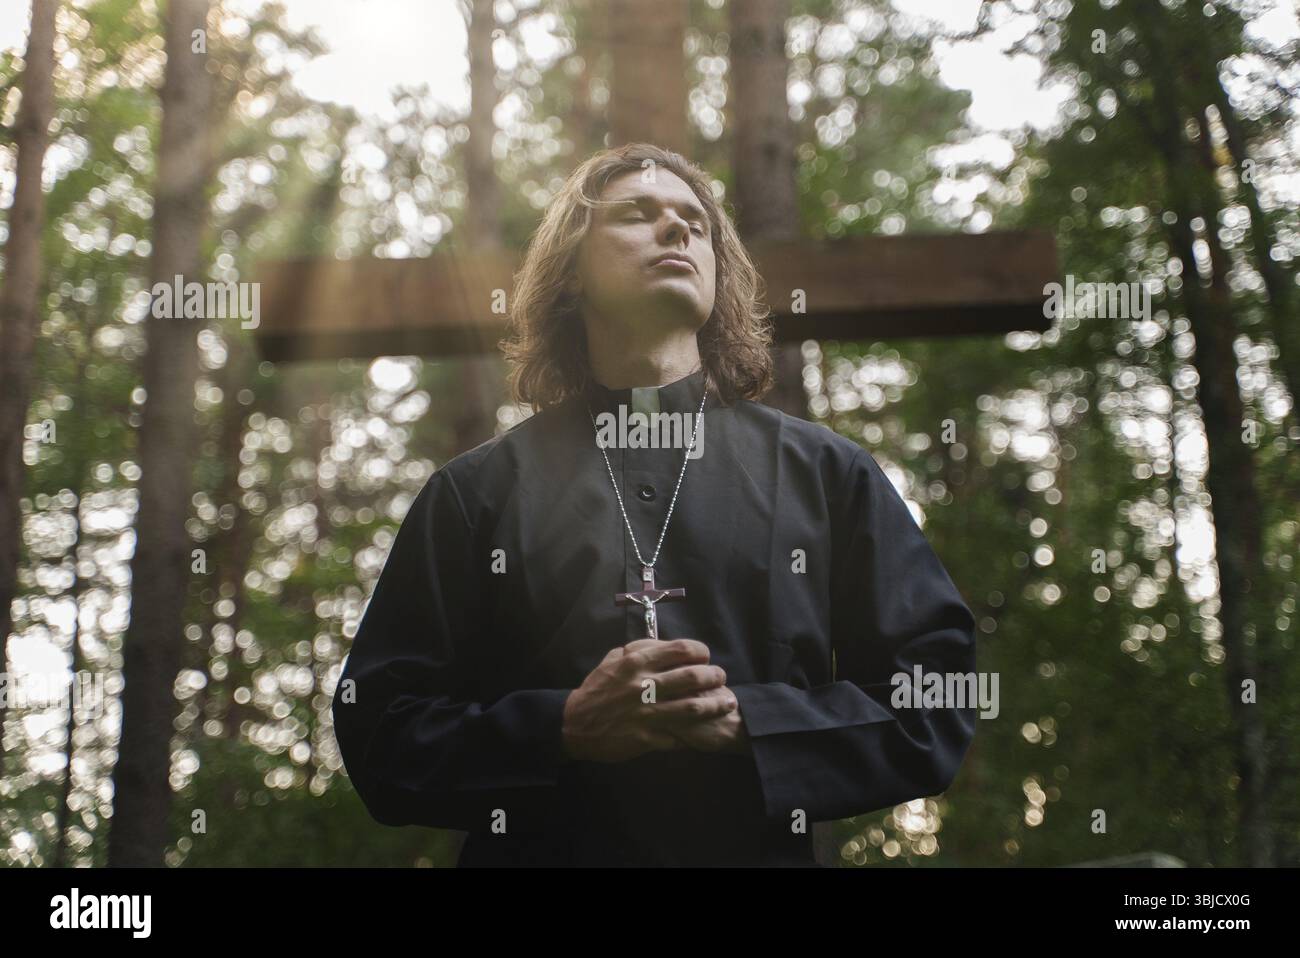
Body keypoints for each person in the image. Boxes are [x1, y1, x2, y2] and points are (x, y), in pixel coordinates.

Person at [330, 142, 978, 866]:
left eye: (695, 223)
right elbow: (379, 733)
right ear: (570, 275)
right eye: (638, 215)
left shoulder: (828, 474)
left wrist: (754, 721)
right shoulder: (474, 494)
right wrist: (562, 726)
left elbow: (936, 697)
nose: (677, 231)